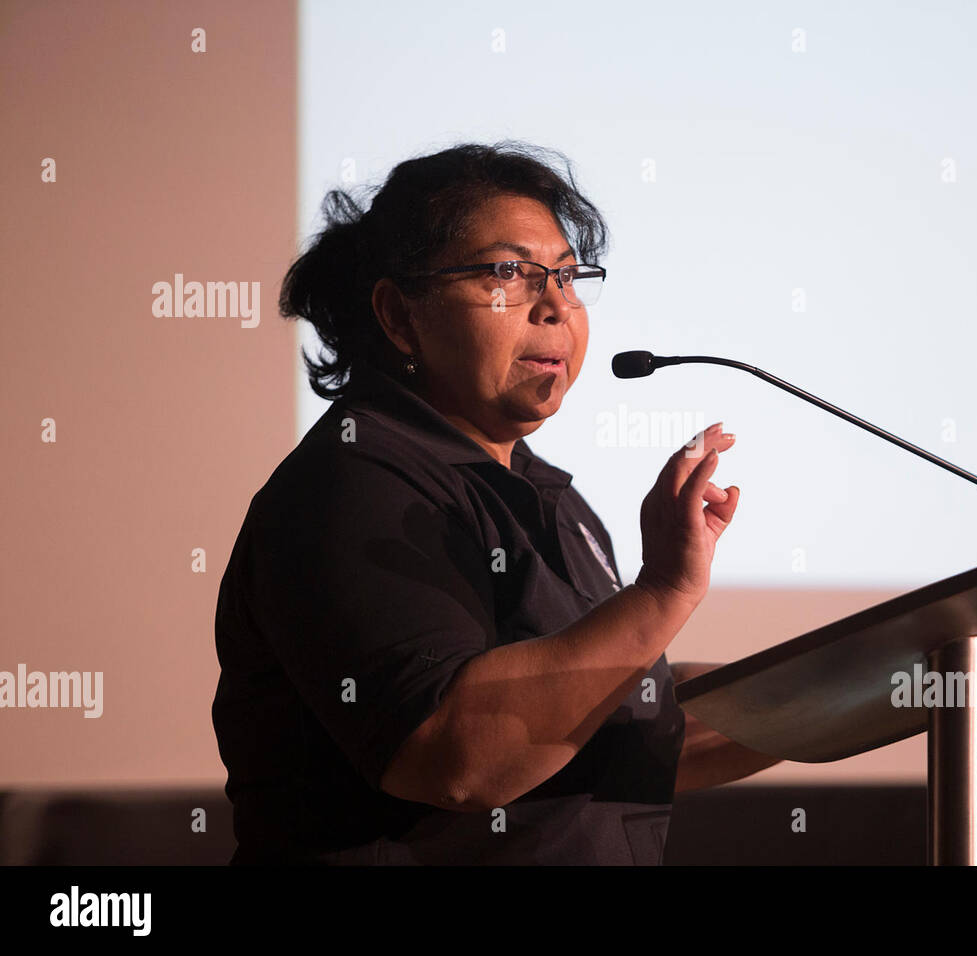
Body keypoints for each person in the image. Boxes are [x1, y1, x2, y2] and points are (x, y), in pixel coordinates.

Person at [211, 141, 779, 865]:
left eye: (569, 278)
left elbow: (600, 723)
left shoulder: (550, 497)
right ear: (398, 315)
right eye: (508, 273)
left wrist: (863, 680)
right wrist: (662, 593)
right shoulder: (351, 486)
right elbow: (457, 756)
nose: (555, 307)